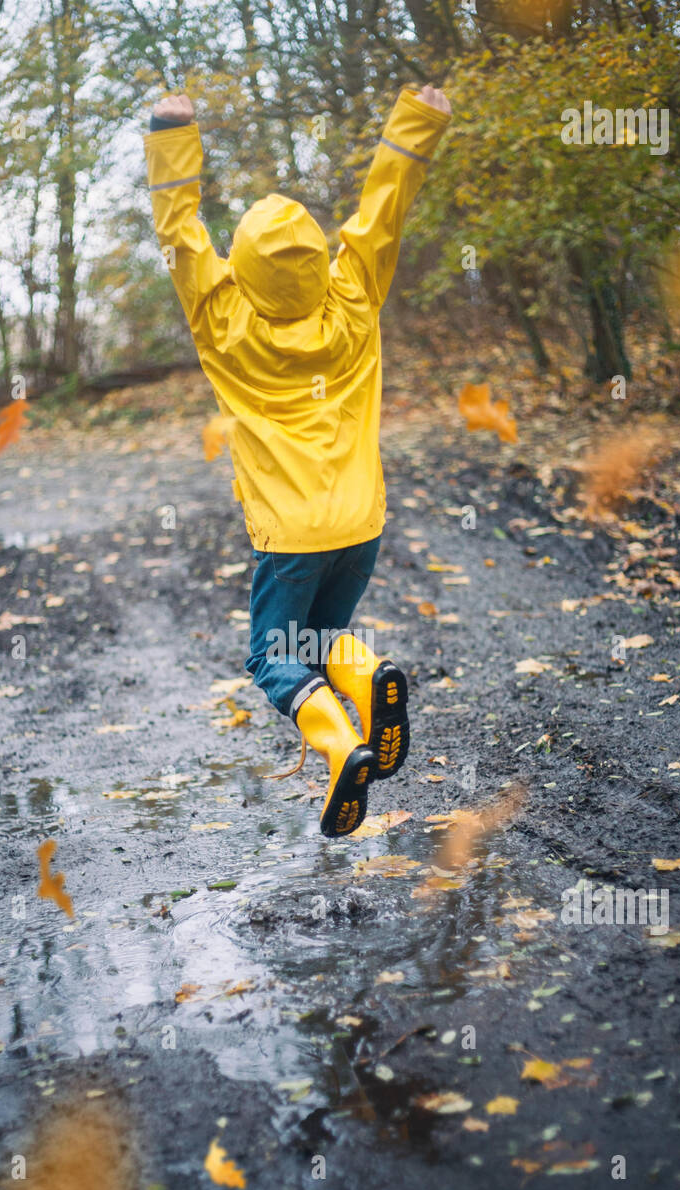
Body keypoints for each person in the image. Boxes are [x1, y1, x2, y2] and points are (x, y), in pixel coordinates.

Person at [144, 82, 451, 836]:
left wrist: (170, 131)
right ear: (317, 258)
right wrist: (416, 121)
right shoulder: (351, 298)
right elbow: (380, 217)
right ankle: (368, 677)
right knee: (316, 640)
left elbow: (180, 232)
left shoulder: (222, 316)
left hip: (289, 532)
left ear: (242, 267)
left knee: (273, 658)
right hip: (360, 520)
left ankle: (342, 741)